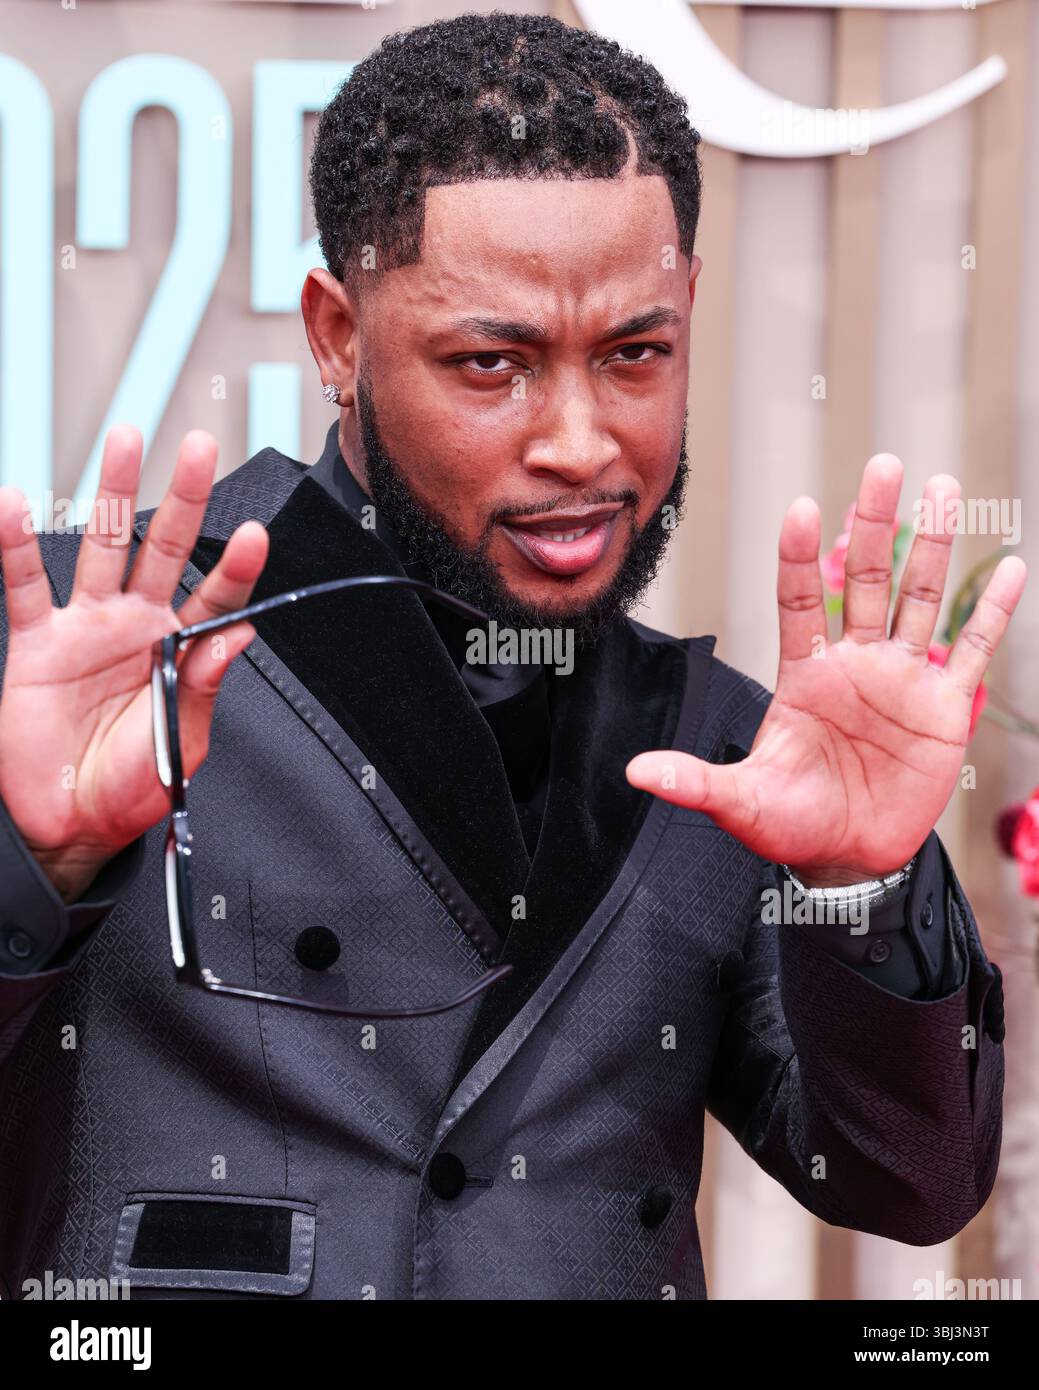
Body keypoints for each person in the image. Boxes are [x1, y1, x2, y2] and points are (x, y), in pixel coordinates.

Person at [0, 13, 1022, 1301]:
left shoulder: (730, 750)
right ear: (335, 335)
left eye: (636, 354)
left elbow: (911, 1184)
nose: (582, 445)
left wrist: (855, 890)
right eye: (495, 363)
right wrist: (34, 868)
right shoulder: (77, 654)